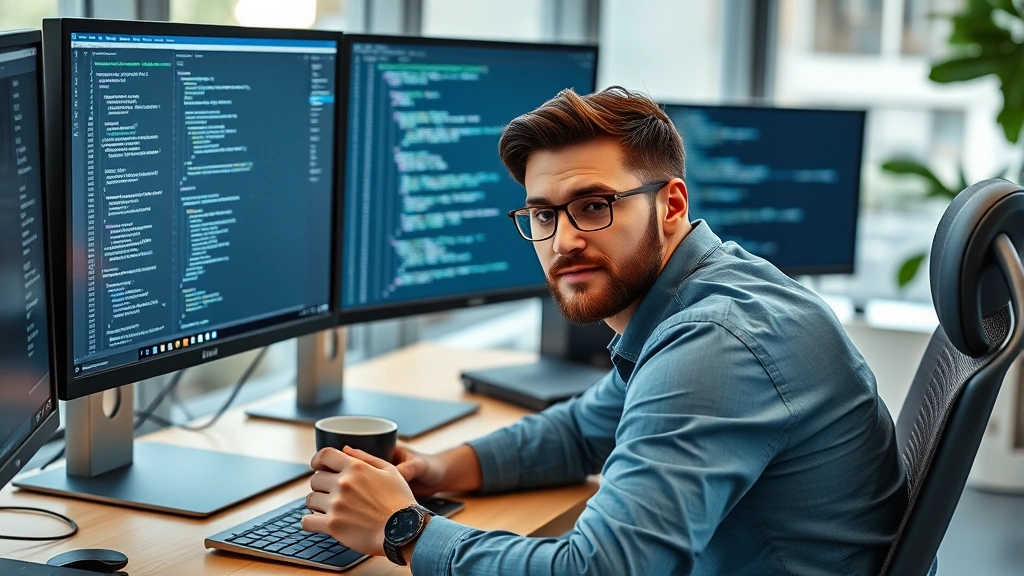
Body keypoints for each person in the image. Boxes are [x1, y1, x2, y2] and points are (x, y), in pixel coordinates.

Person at [301, 86, 908, 575]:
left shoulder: (715, 342)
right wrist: (436, 469)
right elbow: (583, 429)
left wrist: (404, 530)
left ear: (670, 205)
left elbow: (601, 569)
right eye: (543, 214)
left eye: (595, 205)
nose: (564, 241)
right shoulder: (706, 294)